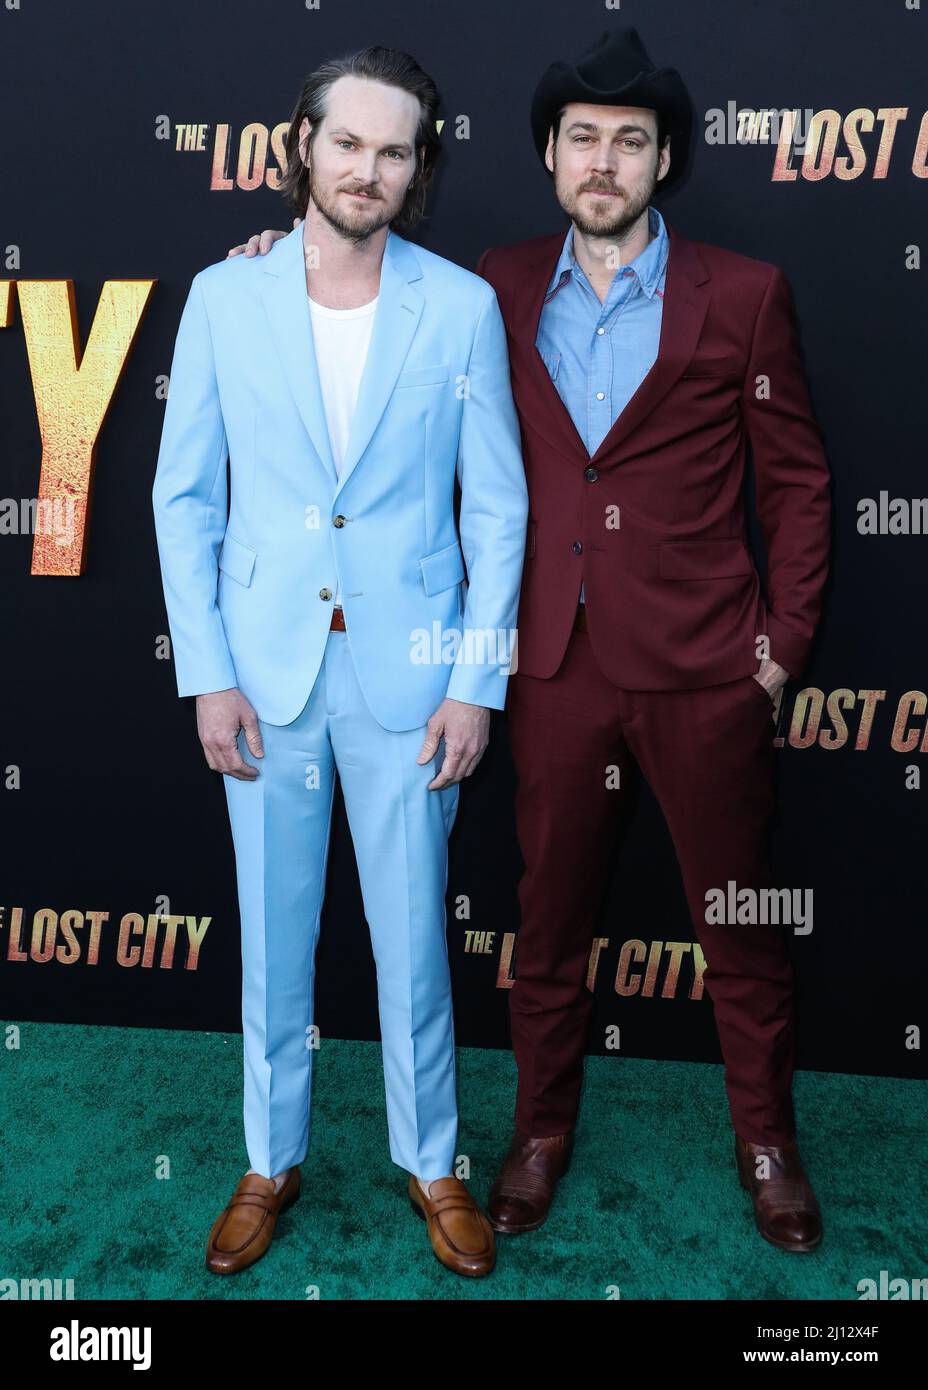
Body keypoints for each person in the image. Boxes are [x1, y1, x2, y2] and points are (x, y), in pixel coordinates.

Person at [228, 27, 831, 1255]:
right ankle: (538, 1136)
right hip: (546, 667)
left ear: (664, 161)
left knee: (742, 925)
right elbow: (354, 287)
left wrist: (777, 653)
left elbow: (801, 485)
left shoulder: (748, 292)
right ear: (549, 156)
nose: (603, 161)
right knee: (545, 928)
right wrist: (268, 259)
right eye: (582, 139)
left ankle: (766, 1141)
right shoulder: (486, 288)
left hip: (706, 668)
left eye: (629, 141)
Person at [152, 44, 528, 1279]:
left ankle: (434, 1163)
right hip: (262, 679)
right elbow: (183, 498)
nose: (368, 168)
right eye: (349, 141)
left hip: (411, 682)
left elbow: (497, 513)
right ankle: (271, 1158)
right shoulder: (222, 296)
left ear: (419, 169)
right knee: (273, 935)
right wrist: (206, 671)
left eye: (395, 149)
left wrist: (476, 678)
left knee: (414, 937)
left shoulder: (460, 306)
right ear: (302, 143)